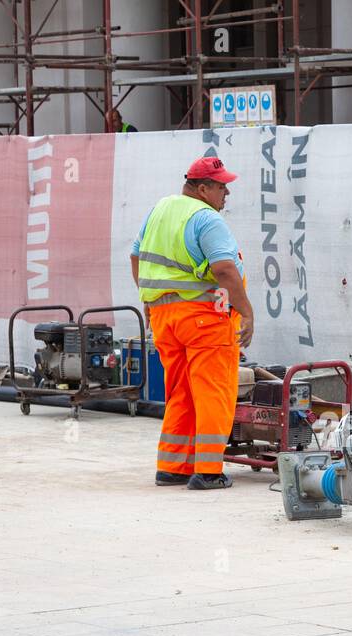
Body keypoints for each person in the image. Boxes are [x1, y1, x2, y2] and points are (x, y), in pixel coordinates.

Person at [131, 156, 254, 490]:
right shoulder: (206, 219)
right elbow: (225, 270)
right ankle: (208, 471)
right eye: (221, 186)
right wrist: (248, 311)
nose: (226, 192)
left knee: (180, 391)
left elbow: (136, 255)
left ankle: (172, 466)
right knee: (214, 390)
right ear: (203, 188)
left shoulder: (160, 210)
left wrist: (148, 297)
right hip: (204, 320)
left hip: (164, 317)